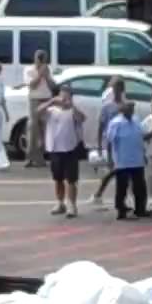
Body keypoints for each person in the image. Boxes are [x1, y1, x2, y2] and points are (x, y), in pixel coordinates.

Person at [37, 84, 86, 218]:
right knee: (58, 178)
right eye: (62, 94)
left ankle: (72, 205)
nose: (64, 97)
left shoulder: (73, 111)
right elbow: (38, 112)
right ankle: (60, 203)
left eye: (67, 94)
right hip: (55, 148)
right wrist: (51, 101)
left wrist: (72, 106)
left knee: (71, 179)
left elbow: (82, 118)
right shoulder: (51, 110)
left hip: (70, 148)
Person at [104, 101, 149, 221]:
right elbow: (110, 141)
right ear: (122, 110)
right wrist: (110, 159)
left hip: (137, 159)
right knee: (122, 187)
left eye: (132, 108)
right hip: (122, 161)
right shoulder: (116, 123)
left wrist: (144, 154)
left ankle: (140, 209)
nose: (131, 110)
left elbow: (140, 139)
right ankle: (121, 210)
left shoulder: (136, 120)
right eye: (129, 108)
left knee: (140, 187)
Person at [91, 77, 126, 207]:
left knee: (122, 171)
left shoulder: (125, 105)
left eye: (118, 88)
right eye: (114, 88)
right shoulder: (107, 107)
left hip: (124, 143)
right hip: (112, 142)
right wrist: (100, 145)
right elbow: (101, 126)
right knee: (114, 169)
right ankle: (98, 193)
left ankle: (119, 197)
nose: (116, 91)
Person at [21, 50, 56, 168]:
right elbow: (32, 85)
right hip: (35, 100)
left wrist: (46, 76)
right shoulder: (29, 70)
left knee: (44, 129)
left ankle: (40, 158)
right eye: (39, 58)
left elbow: (52, 86)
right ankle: (30, 157)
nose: (41, 60)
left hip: (46, 99)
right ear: (35, 58)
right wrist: (40, 74)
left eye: (43, 58)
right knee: (33, 128)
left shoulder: (48, 69)